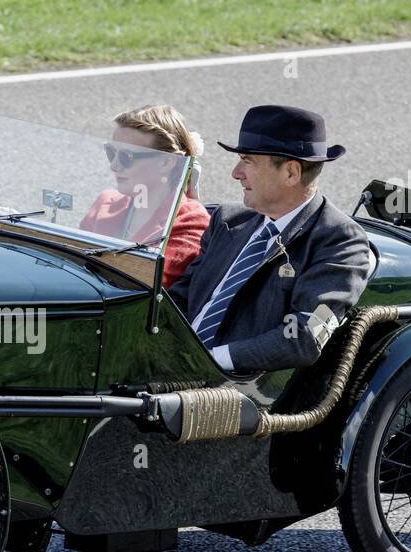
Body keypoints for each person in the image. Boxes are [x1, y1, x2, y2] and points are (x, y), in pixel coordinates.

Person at [168, 104, 372, 373]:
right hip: (172, 365)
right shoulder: (228, 219)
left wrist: (209, 360)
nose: (235, 173)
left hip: (232, 387)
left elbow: (305, 336)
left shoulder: (339, 241)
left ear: (291, 173)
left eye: (247, 161)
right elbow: (178, 299)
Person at [78, 105, 210, 288]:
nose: (114, 166)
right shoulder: (105, 202)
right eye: (111, 153)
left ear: (166, 162)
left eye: (127, 157)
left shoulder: (190, 221)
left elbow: (142, 285)